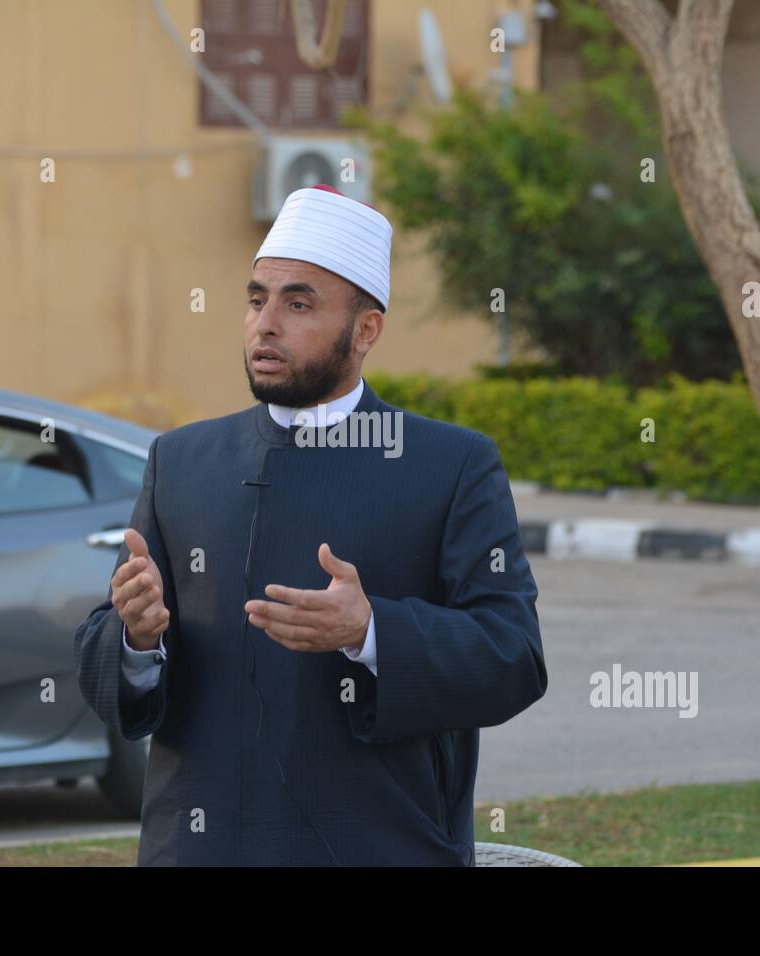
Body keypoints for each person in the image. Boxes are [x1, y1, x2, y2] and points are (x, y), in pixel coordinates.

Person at [74, 184, 547, 866]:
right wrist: (136, 638)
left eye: (298, 304)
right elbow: (116, 685)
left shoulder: (450, 464)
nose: (265, 324)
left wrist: (372, 631)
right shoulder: (182, 461)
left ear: (366, 330)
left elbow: (513, 659)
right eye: (256, 299)